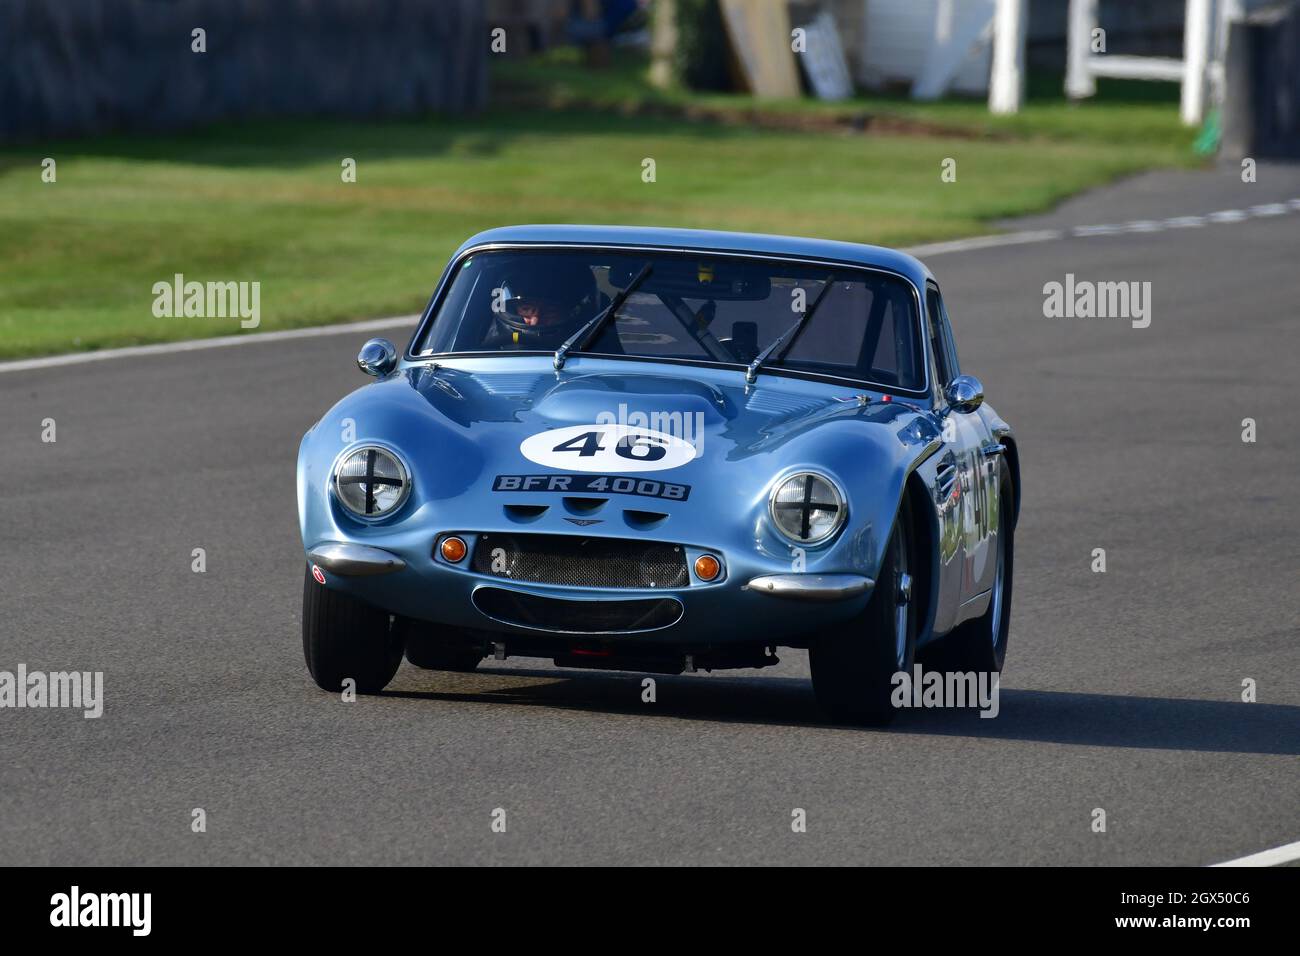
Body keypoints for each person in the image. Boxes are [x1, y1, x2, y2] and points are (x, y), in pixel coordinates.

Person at [484, 258, 601, 350]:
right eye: (526, 309)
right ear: (513, 309)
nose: (535, 321)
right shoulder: (479, 349)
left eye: (550, 312)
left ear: (571, 313)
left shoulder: (598, 353)